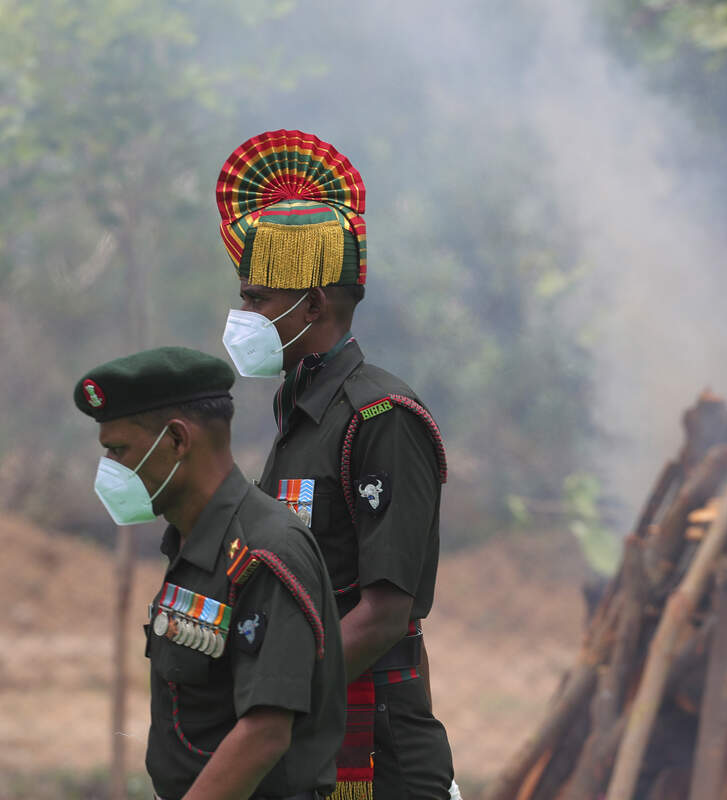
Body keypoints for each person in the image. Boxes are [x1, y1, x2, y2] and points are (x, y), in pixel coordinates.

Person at [216, 129, 455, 799]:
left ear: (312, 304)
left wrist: (272, 699)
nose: (243, 315)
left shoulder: (381, 417)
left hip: (372, 751)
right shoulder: (301, 408)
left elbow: (383, 614)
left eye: (256, 298)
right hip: (313, 732)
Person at [75, 346, 345, 800]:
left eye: (118, 450)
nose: (109, 472)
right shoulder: (192, 543)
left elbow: (265, 732)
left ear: (177, 440)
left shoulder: (264, 550)